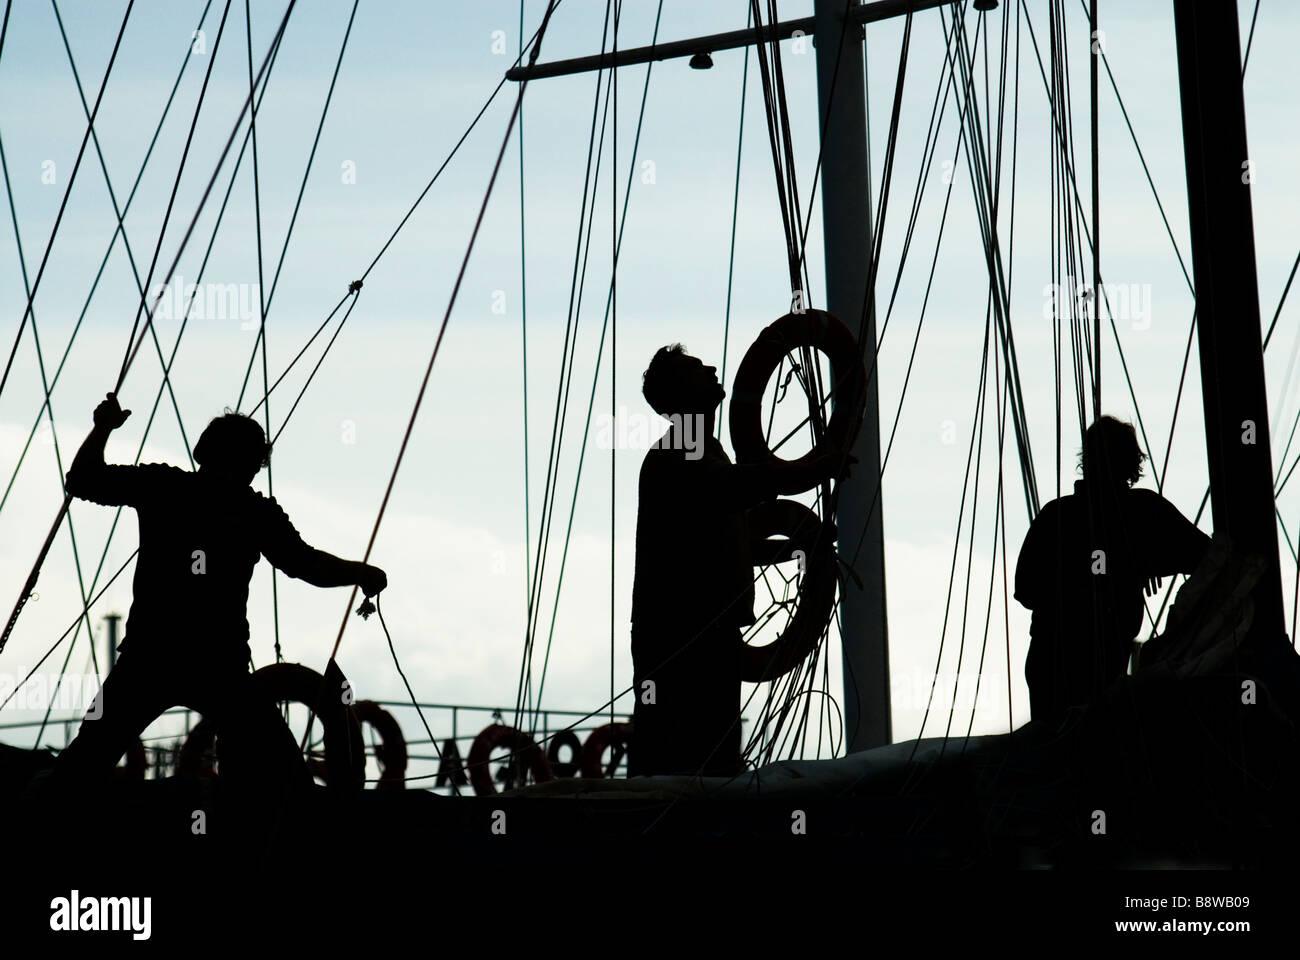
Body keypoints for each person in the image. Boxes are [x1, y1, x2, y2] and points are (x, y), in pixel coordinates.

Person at [54, 392, 387, 804]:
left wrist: (102, 428)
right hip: (219, 666)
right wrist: (363, 573)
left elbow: (83, 480)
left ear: (201, 451)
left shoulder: (164, 486)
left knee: (80, 769)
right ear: (254, 465)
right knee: (288, 777)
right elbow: (307, 566)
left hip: (149, 657)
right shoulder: (254, 512)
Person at [629, 346, 842, 777]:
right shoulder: (682, 449)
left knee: (709, 754)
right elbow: (731, 489)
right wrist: (814, 470)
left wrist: (801, 547)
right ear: (678, 393)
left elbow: (725, 538)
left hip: (702, 633)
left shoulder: (702, 450)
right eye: (693, 369)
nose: (709, 367)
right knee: (686, 758)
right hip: (681, 638)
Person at [1014, 415, 1211, 726]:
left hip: (1052, 662)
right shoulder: (1145, 513)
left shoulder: (1057, 516)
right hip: (1096, 664)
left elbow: (1025, 589)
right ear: (1132, 463)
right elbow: (1212, 561)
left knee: (1053, 753)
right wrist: (1139, 565)